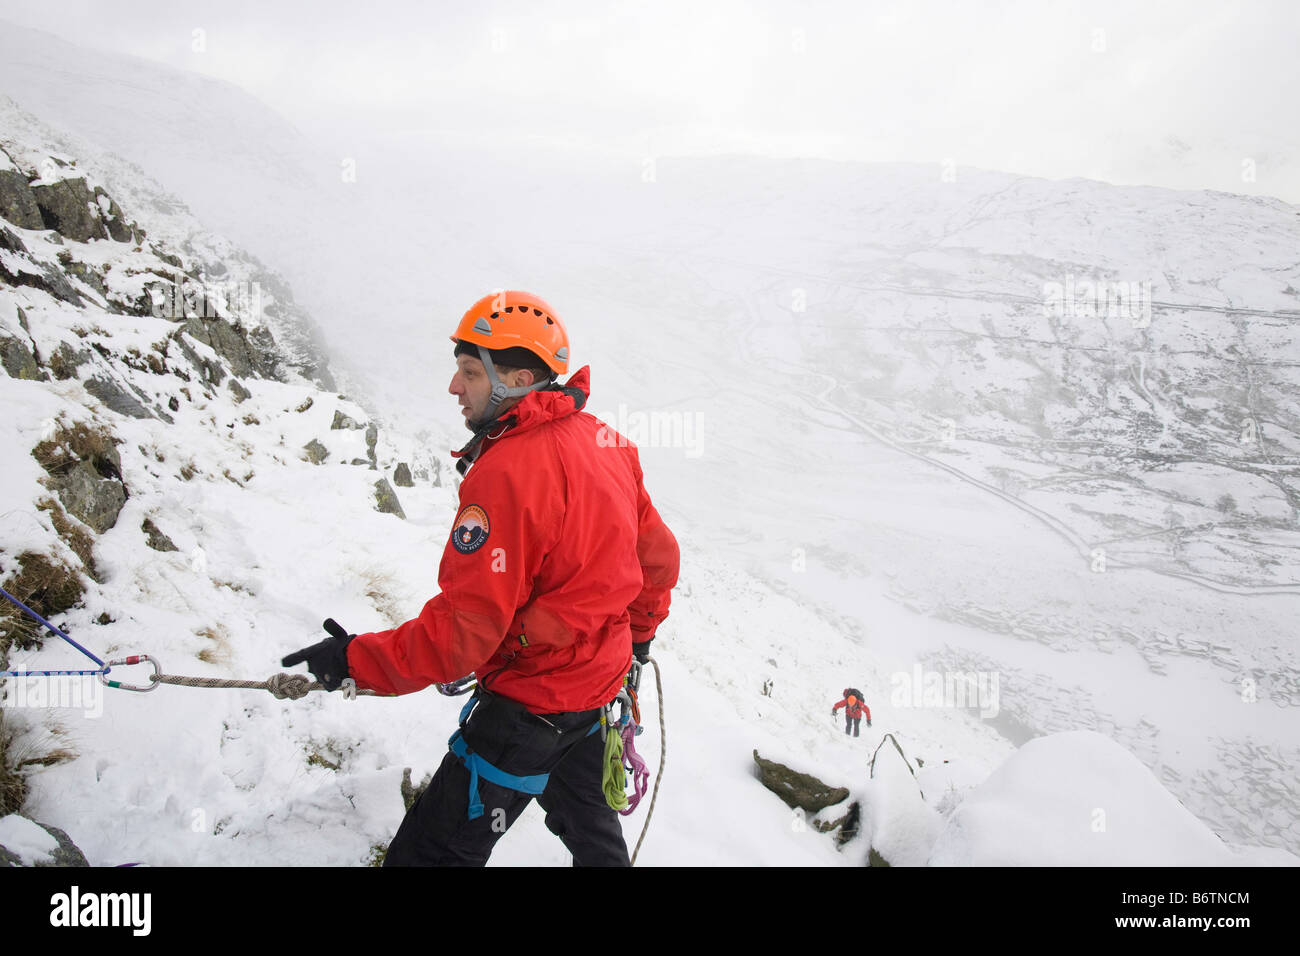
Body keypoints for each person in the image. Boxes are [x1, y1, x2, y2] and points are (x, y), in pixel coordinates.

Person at [282, 290, 680, 866]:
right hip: (595, 692)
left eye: (469, 372)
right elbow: (658, 560)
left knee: (434, 850)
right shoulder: (607, 443)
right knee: (595, 840)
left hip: (528, 710)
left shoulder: (507, 473)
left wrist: (354, 660)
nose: (454, 387)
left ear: (517, 379)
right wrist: (637, 639)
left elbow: (464, 633)